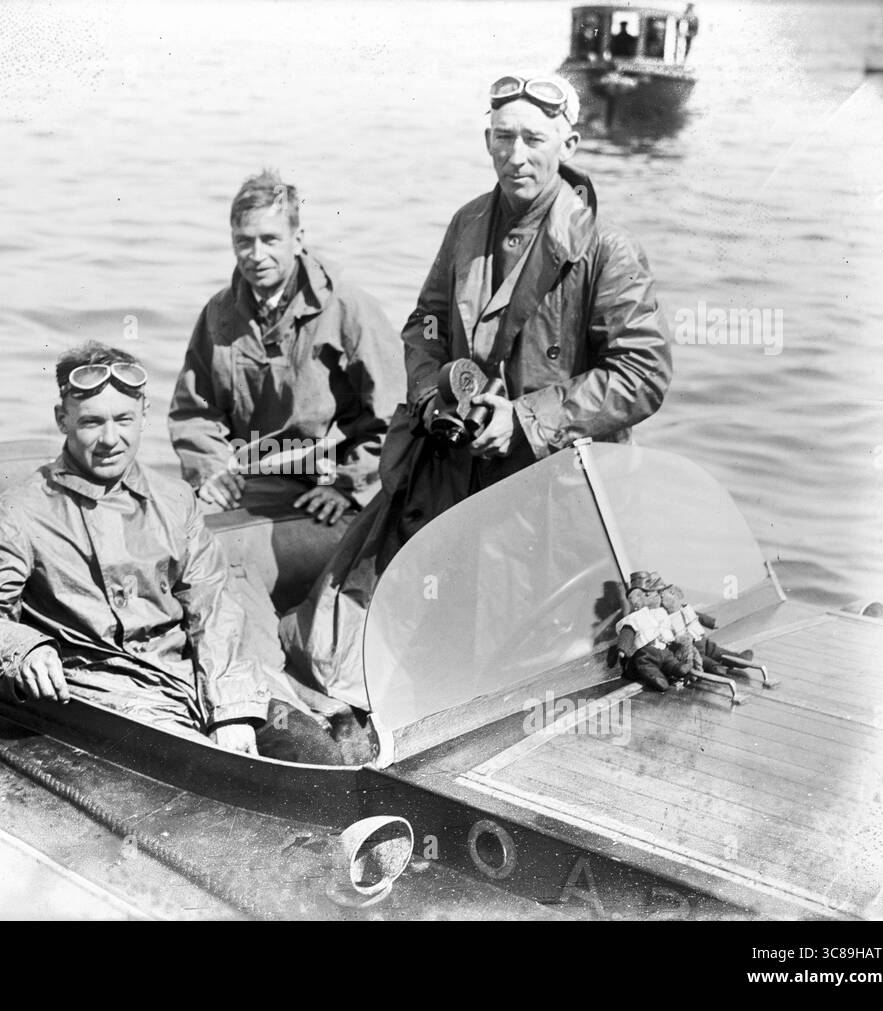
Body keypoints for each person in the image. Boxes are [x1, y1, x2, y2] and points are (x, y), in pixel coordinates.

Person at [280, 73, 673, 712]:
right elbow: (425, 323)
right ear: (486, 141)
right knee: (337, 646)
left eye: (533, 140)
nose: (516, 155)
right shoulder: (467, 224)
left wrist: (525, 419)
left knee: (510, 673)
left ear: (568, 144)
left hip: (548, 498)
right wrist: (436, 390)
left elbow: (643, 373)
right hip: (452, 474)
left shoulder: (607, 250)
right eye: (502, 138)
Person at [0, 341, 343, 764]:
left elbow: (213, 605)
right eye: (91, 422)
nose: (110, 439)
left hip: (193, 681)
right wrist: (22, 648)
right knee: (210, 783)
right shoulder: (19, 512)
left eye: (123, 419)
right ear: (62, 420)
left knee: (315, 753)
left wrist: (232, 711)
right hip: (104, 694)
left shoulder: (176, 500)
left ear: (144, 416)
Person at [169, 168, 403, 527]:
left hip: (329, 483)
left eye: (270, 239)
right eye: (244, 241)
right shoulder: (219, 313)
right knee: (181, 530)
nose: (256, 255)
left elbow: (393, 414)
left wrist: (348, 485)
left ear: (297, 239)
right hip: (251, 478)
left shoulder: (349, 308)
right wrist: (211, 472)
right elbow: (195, 412)